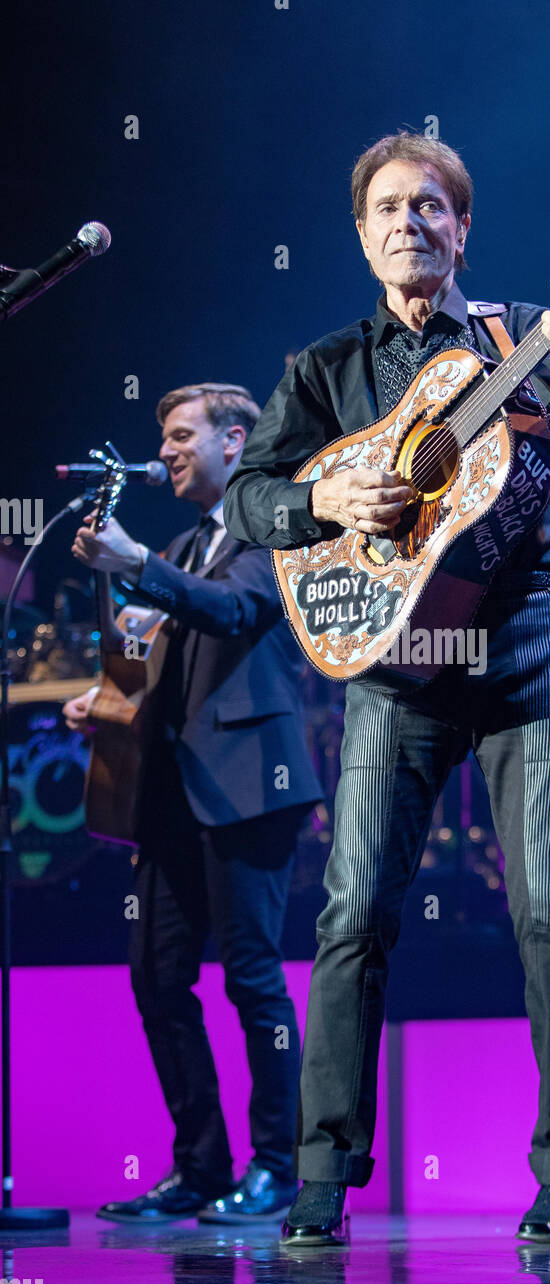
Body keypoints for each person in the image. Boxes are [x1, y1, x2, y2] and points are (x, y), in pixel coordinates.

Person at [224, 133, 550, 1244]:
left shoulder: (514, 338)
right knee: (353, 909)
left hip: (521, 636)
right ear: (361, 236)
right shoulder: (320, 370)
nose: (411, 221)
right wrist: (329, 508)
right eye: (390, 207)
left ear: (462, 230)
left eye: (433, 206)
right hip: (393, 656)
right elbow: (247, 497)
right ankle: (320, 1170)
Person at [63, 382, 322, 1224]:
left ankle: (279, 1169)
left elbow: (234, 608)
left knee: (252, 978)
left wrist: (138, 562)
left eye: (182, 437)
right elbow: (158, 655)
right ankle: (202, 1166)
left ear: (236, 442)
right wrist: (107, 702)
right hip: (173, 792)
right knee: (158, 976)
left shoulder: (266, 526)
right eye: (165, 439)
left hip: (251, 785)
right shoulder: (183, 540)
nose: (167, 451)